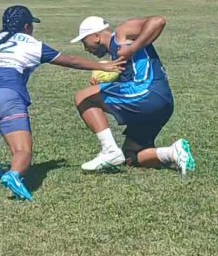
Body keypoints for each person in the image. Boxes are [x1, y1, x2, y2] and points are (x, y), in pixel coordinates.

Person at [0, 6, 126, 201]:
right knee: (22, 151)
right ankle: (14, 175)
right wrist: (102, 66)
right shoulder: (33, 44)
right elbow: (71, 61)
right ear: (26, 27)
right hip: (6, 94)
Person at [70, 15, 196, 175]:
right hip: (162, 102)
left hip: (148, 92)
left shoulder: (121, 34)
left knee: (83, 97)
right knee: (131, 156)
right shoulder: (115, 53)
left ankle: (109, 150)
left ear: (96, 36)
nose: (86, 49)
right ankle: (173, 152)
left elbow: (158, 21)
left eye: (84, 42)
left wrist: (132, 48)